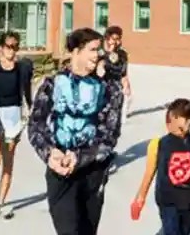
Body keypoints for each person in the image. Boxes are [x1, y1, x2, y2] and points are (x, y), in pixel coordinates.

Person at [28, 27, 122, 235]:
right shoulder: (52, 85)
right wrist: (49, 153)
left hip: (92, 172)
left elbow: (110, 134)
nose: (97, 55)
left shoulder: (109, 88)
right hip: (59, 170)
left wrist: (81, 157)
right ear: (75, 52)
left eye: (99, 50)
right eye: (92, 49)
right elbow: (36, 124)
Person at [131, 98, 190, 235]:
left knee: (186, 231)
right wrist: (139, 199)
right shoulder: (158, 144)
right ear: (171, 119)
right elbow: (149, 173)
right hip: (168, 201)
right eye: (183, 118)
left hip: (188, 201)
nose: (188, 122)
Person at [0, 30, 34, 219]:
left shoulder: (22, 69)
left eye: (15, 46)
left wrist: (31, 112)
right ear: (2, 48)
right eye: (9, 46)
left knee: (8, 163)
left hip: (14, 116)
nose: (12, 50)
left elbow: (27, 94)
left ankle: (0, 203)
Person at [99, 26, 131, 120]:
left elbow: (124, 73)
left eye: (119, 39)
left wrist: (127, 86)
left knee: (113, 126)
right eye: (114, 39)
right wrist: (107, 55)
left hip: (116, 95)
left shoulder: (122, 55)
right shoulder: (98, 53)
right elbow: (99, 72)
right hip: (102, 94)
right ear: (107, 38)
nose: (117, 42)